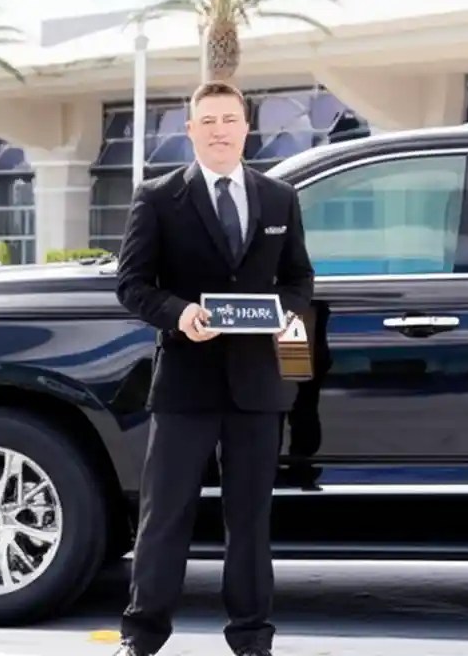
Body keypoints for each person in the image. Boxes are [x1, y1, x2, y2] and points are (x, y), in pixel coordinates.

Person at [112, 80, 315, 656]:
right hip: (185, 385)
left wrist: (283, 312)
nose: (220, 130)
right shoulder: (157, 197)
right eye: (208, 121)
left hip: (257, 387)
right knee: (164, 517)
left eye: (229, 120)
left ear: (246, 127)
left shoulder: (279, 198)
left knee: (249, 521)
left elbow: (300, 277)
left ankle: (251, 639)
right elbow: (131, 284)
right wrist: (179, 315)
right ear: (191, 130)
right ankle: (142, 636)